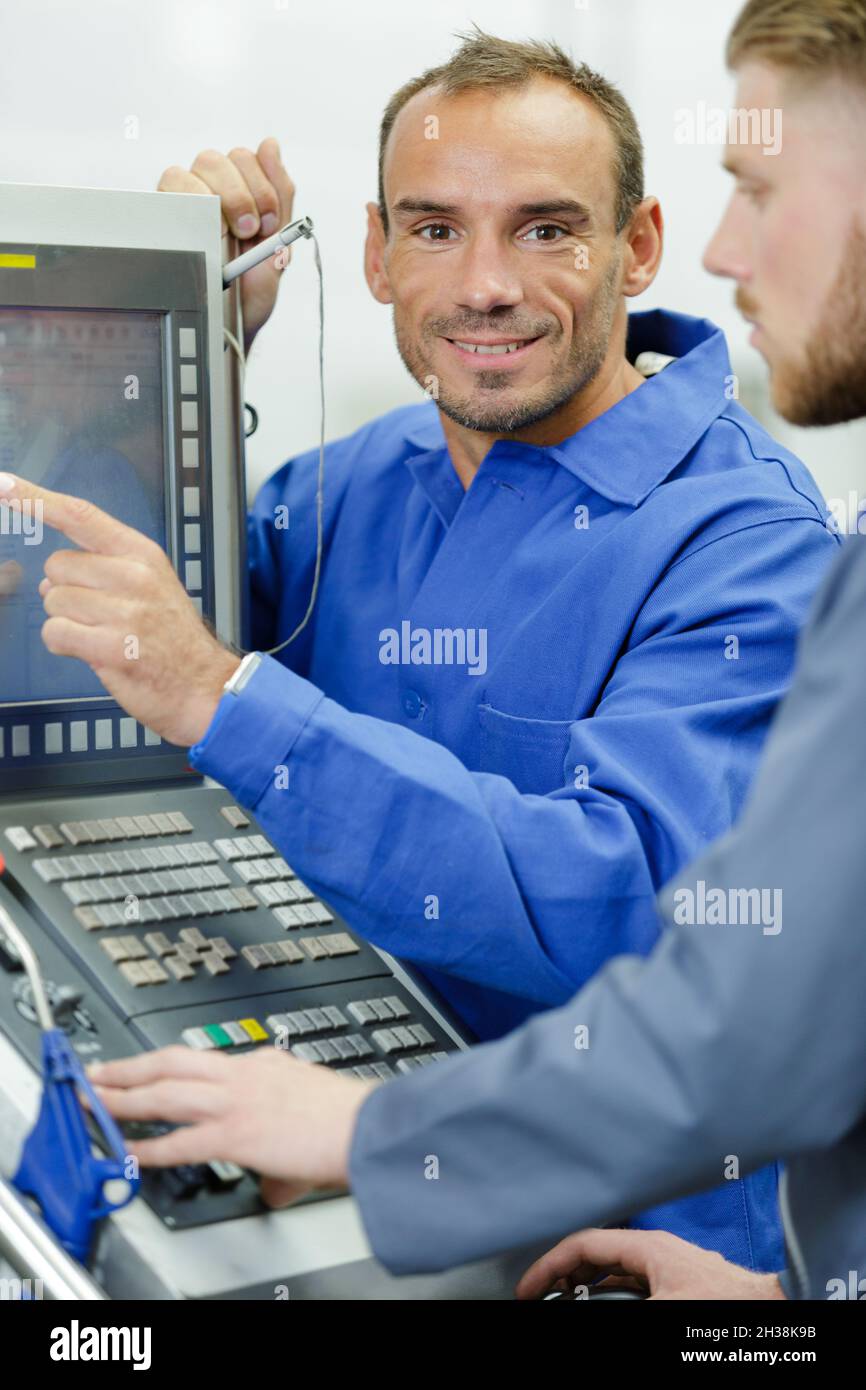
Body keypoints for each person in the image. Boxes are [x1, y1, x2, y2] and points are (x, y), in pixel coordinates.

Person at [0, 22, 847, 1276]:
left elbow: (639, 910)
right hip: (306, 1163)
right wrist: (187, 328)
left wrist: (229, 696)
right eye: (435, 227)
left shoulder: (750, 545)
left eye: (545, 228)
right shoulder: (347, 487)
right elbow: (94, 656)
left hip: (610, 1245)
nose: (484, 284)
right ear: (376, 254)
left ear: (640, 245)